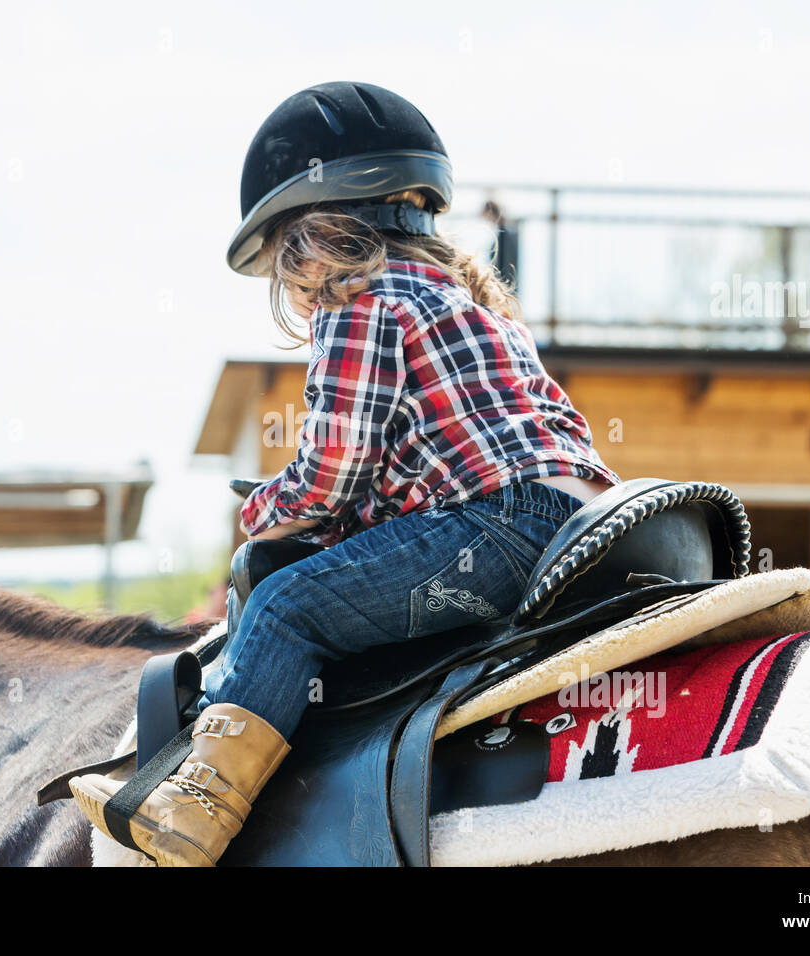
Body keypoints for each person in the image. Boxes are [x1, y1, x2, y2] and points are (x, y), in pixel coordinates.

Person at [71, 81, 619, 866]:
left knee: (290, 607)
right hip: (584, 523)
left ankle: (192, 812)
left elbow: (332, 468)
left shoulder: (360, 298)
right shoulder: (474, 303)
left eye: (283, 269)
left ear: (309, 239)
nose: (293, 289)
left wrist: (263, 510)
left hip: (499, 527)